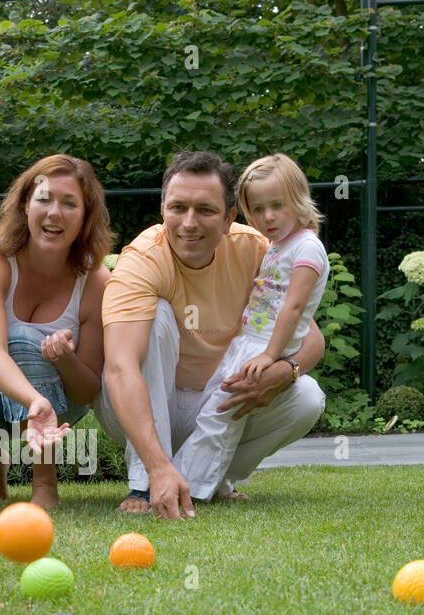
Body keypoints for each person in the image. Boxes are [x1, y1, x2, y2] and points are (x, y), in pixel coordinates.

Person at [93, 150, 327, 518]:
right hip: (152, 405)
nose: (189, 222)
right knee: (155, 318)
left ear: (228, 218)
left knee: (308, 397)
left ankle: (211, 477)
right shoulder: (141, 258)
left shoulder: (258, 249)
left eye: (205, 210)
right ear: (162, 208)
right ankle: (146, 478)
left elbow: (311, 338)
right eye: (178, 207)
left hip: (220, 401)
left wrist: (284, 370)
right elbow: (120, 368)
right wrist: (156, 468)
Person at [0, 154, 113, 508]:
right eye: (44, 199)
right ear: (25, 205)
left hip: (61, 397)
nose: (54, 213)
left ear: (86, 216)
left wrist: (63, 359)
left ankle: (44, 484)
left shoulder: (96, 281)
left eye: (70, 203)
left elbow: (90, 389)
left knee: (29, 344)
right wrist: (34, 401)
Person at [175, 153, 330, 500]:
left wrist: (271, 355)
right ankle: (206, 482)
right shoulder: (279, 245)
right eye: (257, 209)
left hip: (262, 347)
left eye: (277, 205)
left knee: (220, 417)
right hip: (249, 343)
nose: (268, 217)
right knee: (215, 413)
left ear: (299, 199)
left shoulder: (307, 248)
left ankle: (190, 488)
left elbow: (294, 308)